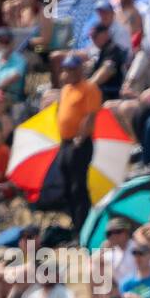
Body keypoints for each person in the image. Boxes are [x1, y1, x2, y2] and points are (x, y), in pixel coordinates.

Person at [57, 54, 102, 229]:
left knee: (78, 186)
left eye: (72, 69)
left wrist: (80, 137)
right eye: (66, 69)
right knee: (66, 182)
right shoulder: (66, 89)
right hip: (65, 141)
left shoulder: (89, 88)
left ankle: (83, 225)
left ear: (79, 70)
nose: (68, 72)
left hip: (79, 142)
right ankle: (74, 222)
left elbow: (90, 115)